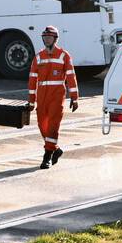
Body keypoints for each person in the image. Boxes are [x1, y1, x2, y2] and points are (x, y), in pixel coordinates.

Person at [27, 25, 79, 169]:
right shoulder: (38, 56)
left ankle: (47, 156)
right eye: (45, 37)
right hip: (42, 95)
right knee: (41, 124)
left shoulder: (64, 55)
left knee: (53, 126)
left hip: (57, 95)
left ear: (55, 39)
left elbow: (71, 77)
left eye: (49, 37)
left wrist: (74, 97)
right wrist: (31, 100)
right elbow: (32, 79)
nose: (46, 39)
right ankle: (55, 149)